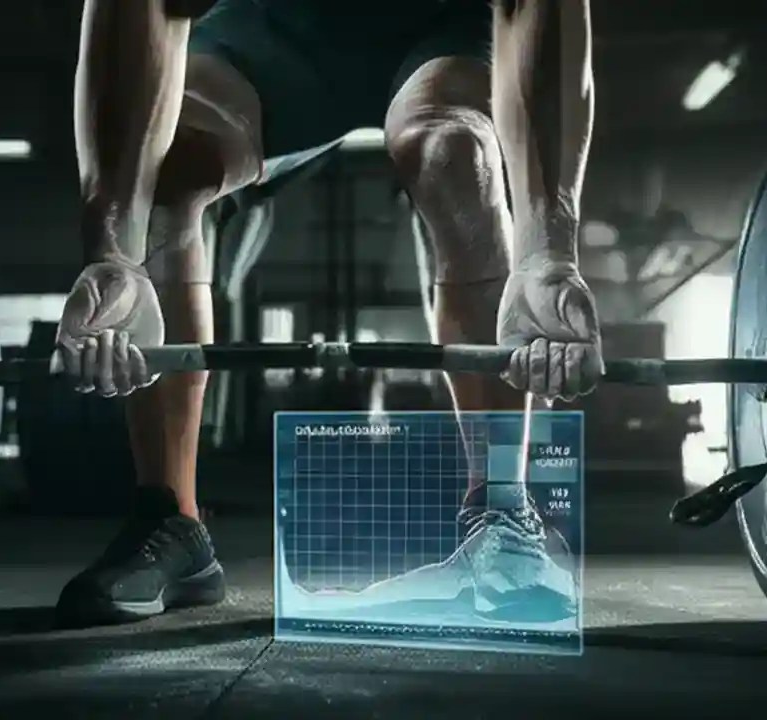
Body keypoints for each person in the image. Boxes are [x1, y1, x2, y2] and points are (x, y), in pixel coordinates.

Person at [53, 0, 604, 627]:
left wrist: (547, 253)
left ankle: (502, 512)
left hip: (442, 24)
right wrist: (115, 252)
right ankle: (170, 519)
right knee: (167, 170)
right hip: (274, 28)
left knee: (457, 155)